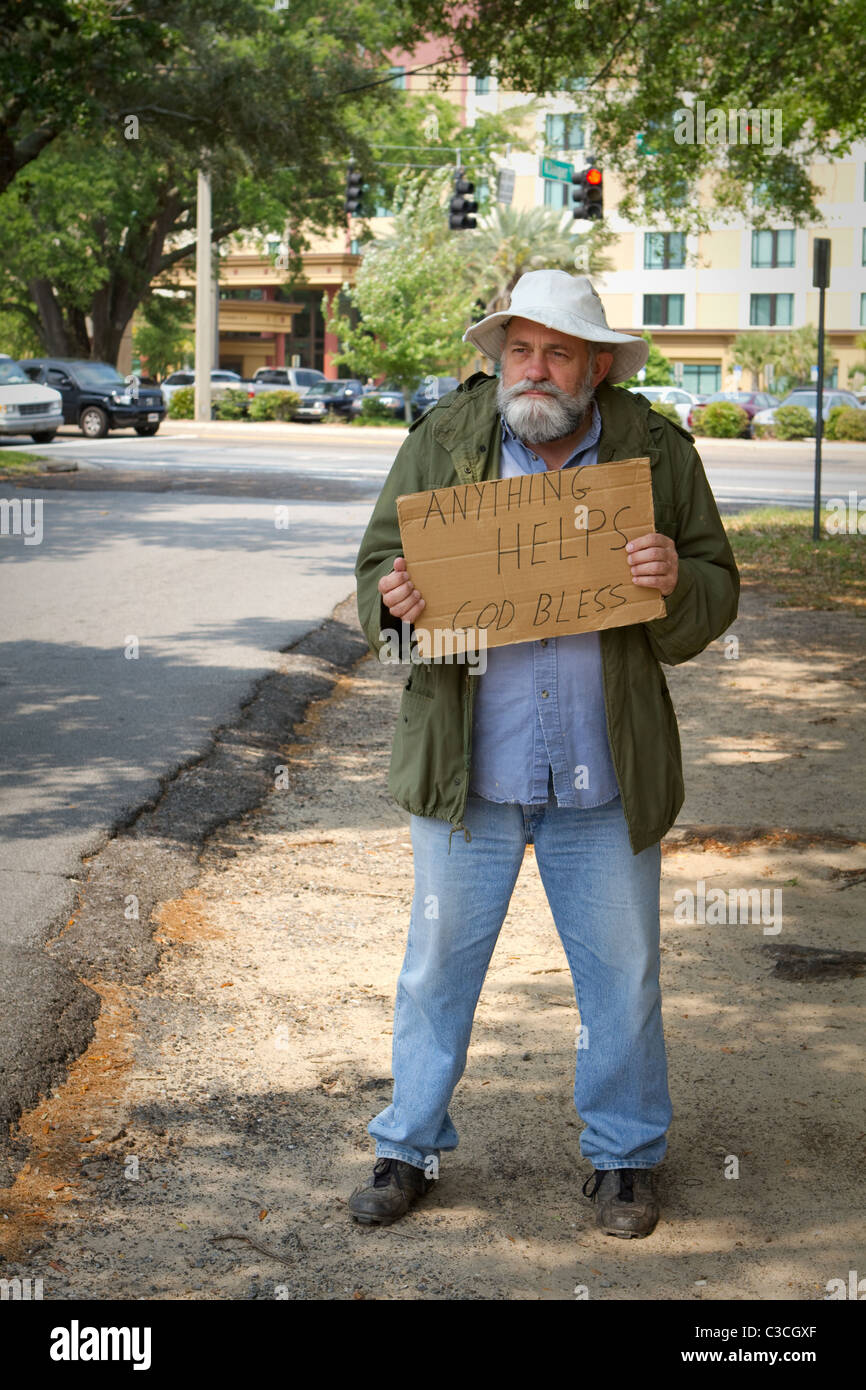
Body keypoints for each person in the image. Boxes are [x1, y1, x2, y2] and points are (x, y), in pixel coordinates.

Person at [349, 269, 739, 1238]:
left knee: (623, 976)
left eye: (556, 351)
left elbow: (714, 587)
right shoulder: (444, 440)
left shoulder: (655, 454)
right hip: (466, 771)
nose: (534, 369)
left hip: (604, 774)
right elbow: (371, 576)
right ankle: (409, 1145)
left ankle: (622, 1161)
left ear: (595, 367)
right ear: (498, 357)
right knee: (434, 968)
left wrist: (671, 578)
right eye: (517, 349)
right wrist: (393, 606)